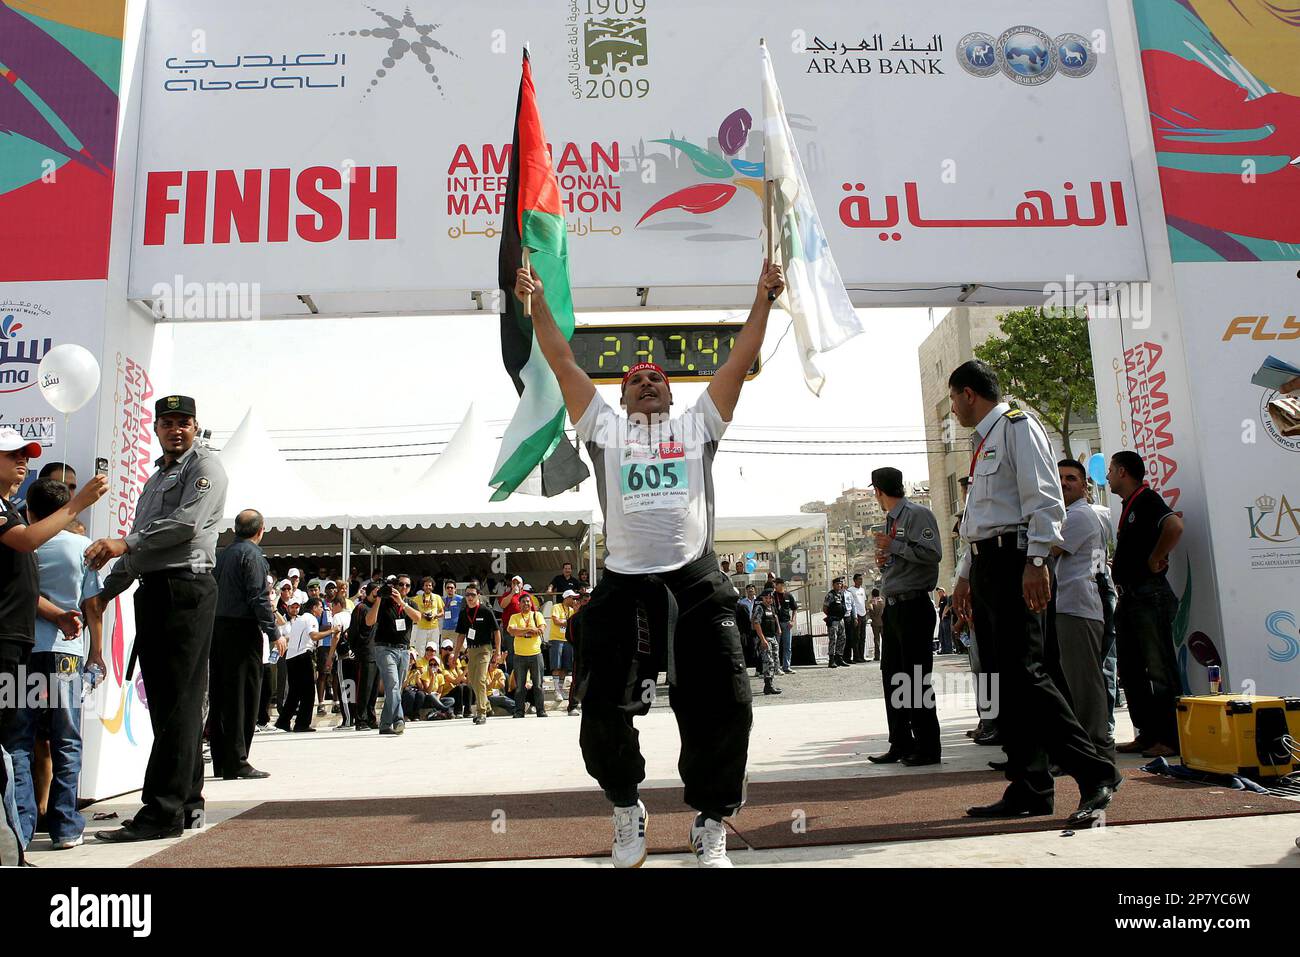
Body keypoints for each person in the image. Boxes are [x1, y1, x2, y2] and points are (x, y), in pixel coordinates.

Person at [515, 256, 783, 868]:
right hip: (624, 588)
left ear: (673, 392)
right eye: (635, 378)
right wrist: (533, 302)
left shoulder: (698, 426)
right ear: (618, 396)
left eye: (656, 377)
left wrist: (763, 297)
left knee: (730, 707)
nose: (646, 380)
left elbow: (740, 357)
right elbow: (561, 358)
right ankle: (625, 810)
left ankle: (710, 823)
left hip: (694, 584)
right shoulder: (604, 429)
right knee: (601, 709)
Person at [947, 361, 1118, 823]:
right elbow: (978, 516)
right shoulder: (984, 439)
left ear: (967, 394)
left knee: (1029, 674)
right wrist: (964, 574)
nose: (952, 411)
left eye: (952, 400)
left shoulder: (1018, 427)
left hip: (1016, 562)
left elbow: (1044, 499)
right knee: (1006, 680)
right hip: (987, 563)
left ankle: (1096, 772)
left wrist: (1037, 560)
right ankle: (1030, 786)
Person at [85, 395, 230, 843]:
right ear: (155, 428)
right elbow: (142, 546)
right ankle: (186, 804)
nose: (175, 429)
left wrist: (123, 545)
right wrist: (106, 592)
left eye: (183, 422)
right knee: (172, 705)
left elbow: (184, 527)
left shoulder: (204, 468)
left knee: (180, 704)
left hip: (185, 589)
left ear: (195, 425)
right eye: (166, 422)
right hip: (157, 592)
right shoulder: (156, 478)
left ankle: (161, 812)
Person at [3, 478, 107, 852]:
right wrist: (97, 651)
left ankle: (21, 827)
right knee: (66, 737)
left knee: (19, 739)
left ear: (28, 510)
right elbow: (94, 605)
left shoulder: (19, 542)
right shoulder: (82, 547)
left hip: (22, 650)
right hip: (67, 653)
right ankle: (65, 825)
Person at [1106, 450, 1185, 758]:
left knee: (1158, 667)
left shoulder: (1147, 500)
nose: (1108, 475)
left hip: (1147, 595)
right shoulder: (1131, 505)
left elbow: (1174, 527)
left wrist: (1155, 557)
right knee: (1131, 668)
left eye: (1111, 470)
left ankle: (1171, 737)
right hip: (1128, 597)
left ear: (1123, 472)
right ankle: (1147, 733)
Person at [866, 467, 943, 767]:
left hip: (914, 605)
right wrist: (885, 560)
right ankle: (900, 741)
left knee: (915, 679)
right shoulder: (891, 519)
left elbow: (932, 553)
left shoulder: (916, 514)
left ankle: (927, 746)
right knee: (893, 677)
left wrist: (893, 546)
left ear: (879, 491)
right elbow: (902, 559)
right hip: (895, 606)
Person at [1050, 459, 1115, 765]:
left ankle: (1095, 748)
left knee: (1084, 682)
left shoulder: (1078, 516)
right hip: (1073, 605)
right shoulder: (1070, 514)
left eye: (1071, 478)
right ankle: (1084, 747)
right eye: (1059, 477)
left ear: (1085, 485)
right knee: (1074, 681)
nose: (1064, 483)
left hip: (1078, 607)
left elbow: (1048, 549)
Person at [209, 509, 277, 780]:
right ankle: (238, 759)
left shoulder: (221, 555)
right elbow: (258, 597)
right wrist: (273, 632)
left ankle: (221, 760)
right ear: (261, 530)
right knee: (245, 695)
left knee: (221, 695)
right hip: (242, 628)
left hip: (218, 626)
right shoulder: (253, 556)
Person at [366, 580, 424, 735]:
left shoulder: (410, 603)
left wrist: (402, 603)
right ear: (395, 586)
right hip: (385, 648)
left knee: (396, 689)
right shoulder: (384, 602)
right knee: (392, 685)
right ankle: (399, 720)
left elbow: (418, 618)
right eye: (401, 584)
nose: (404, 587)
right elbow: (369, 621)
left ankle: (385, 724)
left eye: (407, 585)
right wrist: (378, 598)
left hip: (404, 651)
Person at [277, 596, 335, 732]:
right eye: (320, 607)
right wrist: (331, 631)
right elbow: (314, 636)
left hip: (291, 658)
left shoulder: (299, 619)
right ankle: (302, 724)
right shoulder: (310, 618)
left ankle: (283, 722)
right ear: (314, 608)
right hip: (302, 656)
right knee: (308, 692)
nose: (322, 610)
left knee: (294, 692)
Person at [453, 585, 502, 725]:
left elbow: (496, 631)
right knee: (473, 681)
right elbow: (461, 634)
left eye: (473, 595)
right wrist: (456, 654)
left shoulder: (486, 611)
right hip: (471, 650)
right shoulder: (464, 613)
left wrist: (497, 651)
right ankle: (487, 705)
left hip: (485, 649)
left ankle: (481, 713)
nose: (470, 597)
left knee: (480, 679)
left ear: (478, 595)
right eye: (467, 595)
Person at [508, 592, 548, 718]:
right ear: (519, 604)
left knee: (538, 685)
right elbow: (511, 631)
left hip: (536, 654)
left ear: (531, 603)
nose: (526, 603)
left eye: (528, 601)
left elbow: (540, 630)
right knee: (520, 686)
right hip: (519, 656)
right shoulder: (514, 617)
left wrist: (521, 632)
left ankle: (541, 710)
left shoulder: (537, 615)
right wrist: (530, 630)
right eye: (523, 601)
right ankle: (519, 711)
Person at [349, 582, 382, 731]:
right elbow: (353, 631)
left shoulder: (379, 608)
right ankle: (360, 720)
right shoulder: (360, 608)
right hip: (365, 652)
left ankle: (371, 718)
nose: (378, 595)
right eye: (376, 592)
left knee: (374, 689)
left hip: (377, 652)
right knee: (364, 688)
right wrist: (356, 649)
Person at [404, 643, 454, 720]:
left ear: (438, 666)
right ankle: (445, 710)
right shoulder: (424, 674)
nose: (432, 666)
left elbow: (440, 691)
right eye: (431, 664)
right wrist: (432, 677)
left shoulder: (440, 676)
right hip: (427, 696)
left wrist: (437, 697)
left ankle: (435, 711)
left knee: (451, 700)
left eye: (435, 665)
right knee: (419, 695)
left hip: (435, 698)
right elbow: (428, 691)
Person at [549, 589, 578, 705]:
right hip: (556, 639)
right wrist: (569, 621)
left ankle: (560, 689)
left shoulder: (572, 610)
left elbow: (574, 621)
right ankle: (556, 691)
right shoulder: (556, 607)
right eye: (573, 598)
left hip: (567, 640)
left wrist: (572, 615)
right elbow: (556, 621)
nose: (575, 600)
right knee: (556, 666)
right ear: (567, 598)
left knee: (565, 668)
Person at [752, 590, 783, 695]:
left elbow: (775, 617)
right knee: (768, 661)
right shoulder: (760, 608)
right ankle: (768, 685)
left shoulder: (772, 607)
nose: (768, 600)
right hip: (765, 638)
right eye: (766, 598)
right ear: (763, 598)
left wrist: (778, 628)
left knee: (774, 661)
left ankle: (771, 684)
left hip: (772, 637)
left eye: (770, 598)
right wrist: (762, 639)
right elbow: (756, 623)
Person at [437, 640, 473, 718]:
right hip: (447, 694)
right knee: (459, 687)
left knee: (467, 687)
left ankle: (468, 711)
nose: (454, 660)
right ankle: (458, 711)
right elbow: (455, 682)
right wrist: (465, 671)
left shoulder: (457, 670)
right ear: (447, 662)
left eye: (455, 659)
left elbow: (467, 681)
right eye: (451, 659)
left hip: (456, 692)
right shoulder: (445, 671)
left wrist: (469, 670)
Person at [822, 577, 850, 668]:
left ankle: (839, 658)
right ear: (833, 585)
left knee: (842, 638)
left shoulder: (841, 594)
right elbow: (825, 608)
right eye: (837, 584)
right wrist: (831, 616)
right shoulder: (830, 595)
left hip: (840, 619)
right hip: (833, 620)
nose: (839, 585)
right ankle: (832, 660)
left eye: (840, 584)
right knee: (833, 639)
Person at [412, 576, 444, 652]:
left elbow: (442, 613)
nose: (428, 587)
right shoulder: (417, 598)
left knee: (434, 648)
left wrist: (435, 616)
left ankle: (434, 664)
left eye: (430, 585)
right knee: (420, 649)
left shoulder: (437, 597)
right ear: (423, 587)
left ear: (432, 587)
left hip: (434, 627)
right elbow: (412, 611)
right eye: (426, 585)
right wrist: (422, 615)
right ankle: (420, 664)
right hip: (421, 627)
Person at [773, 579, 797, 674]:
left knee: (787, 646)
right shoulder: (772, 596)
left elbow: (794, 609)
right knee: (776, 646)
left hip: (787, 623)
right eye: (775, 584)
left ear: (782, 585)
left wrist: (793, 621)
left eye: (778, 584)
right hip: (776, 624)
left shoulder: (788, 595)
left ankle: (786, 666)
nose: (776, 586)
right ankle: (776, 667)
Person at [846, 572, 869, 663]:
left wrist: (866, 612)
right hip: (856, 615)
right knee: (856, 637)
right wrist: (854, 616)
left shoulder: (862, 590)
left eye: (861, 579)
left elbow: (864, 602)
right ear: (855, 580)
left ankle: (862, 656)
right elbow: (850, 603)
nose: (861, 581)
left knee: (863, 636)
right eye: (859, 579)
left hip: (863, 615)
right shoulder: (850, 590)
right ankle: (856, 656)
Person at [867, 588, 884, 662]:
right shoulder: (883, 601)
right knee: (885, 640)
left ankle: (877, 656)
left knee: (876, 640)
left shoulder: (872, 602)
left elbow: (870, 610)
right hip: (883, 623)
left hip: (875, 623)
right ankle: (885, 655)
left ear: (872, 594)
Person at [935, 588, 953, 654]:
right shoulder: (941, 599)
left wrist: (944, 613)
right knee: (941, 635)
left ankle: (948, 650)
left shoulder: (946, 598)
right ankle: (943, 650)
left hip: (946, 619)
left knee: (947, 635)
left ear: (943, 592)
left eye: (940, 592)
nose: (938, 594)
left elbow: (948, 606)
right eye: (938, 592)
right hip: (941, 620)